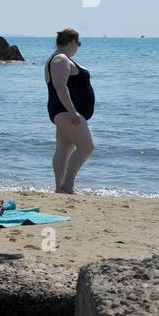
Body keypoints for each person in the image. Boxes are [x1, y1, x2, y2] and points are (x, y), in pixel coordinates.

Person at [45, 27, 95, 193]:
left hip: (62, 111)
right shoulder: (60, 59)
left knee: (64, 149)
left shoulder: (60, 58)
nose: (77, 47)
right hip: (66, 112)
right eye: (78, 44)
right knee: (87, 146)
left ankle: (60, 187)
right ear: (73, 42)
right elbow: (60, 86)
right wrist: (73, 112)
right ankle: (68, 184)